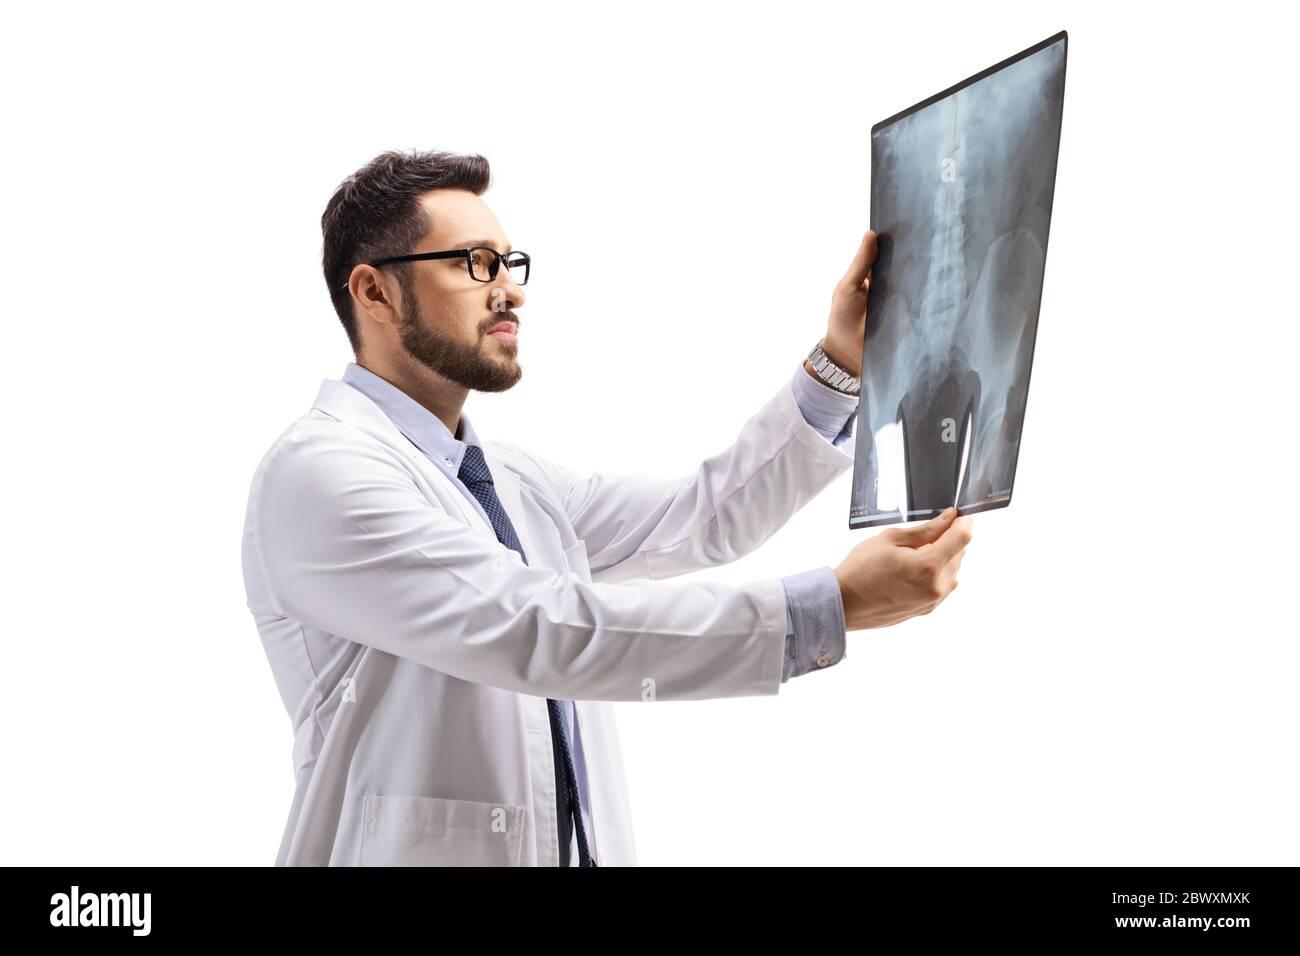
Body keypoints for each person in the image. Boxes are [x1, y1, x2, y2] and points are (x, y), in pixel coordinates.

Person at [240, 148, 973, 867]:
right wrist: (829, 608)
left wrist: (838, 364)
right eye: (475, 263)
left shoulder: (504, 480)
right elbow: (540, 629)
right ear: (372, 292)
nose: (510, 290)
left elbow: (696, 520)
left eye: (509, 262)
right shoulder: (322, 473)